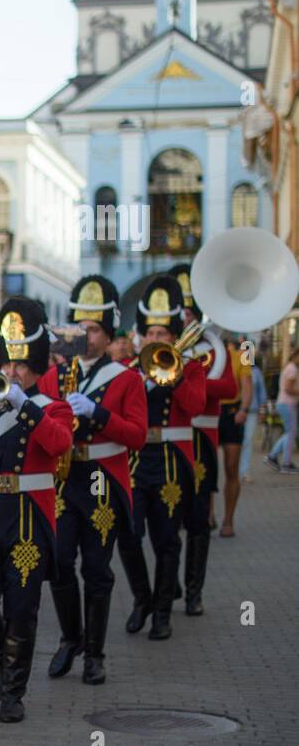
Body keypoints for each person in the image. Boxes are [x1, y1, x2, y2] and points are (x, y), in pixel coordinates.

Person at [0, 298, 72, 722]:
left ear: (36, 370)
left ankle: (14, 691)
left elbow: (59, 444)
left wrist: (22, 404)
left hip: (27, 513)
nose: (12, 374)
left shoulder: (51, 406)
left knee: (23, 604)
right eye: (7, 367)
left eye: (21, 369)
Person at [41, 275, 146, 686]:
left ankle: (96, 654)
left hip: (102, 479)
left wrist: (98, 414)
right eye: (80, 328)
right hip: (67, 480)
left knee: (98, 569)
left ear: (108, 333)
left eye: (95, 330)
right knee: (61, 561)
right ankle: (71, 638)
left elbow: (136, 435)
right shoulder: (56, 376)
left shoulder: (126, 378)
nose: (86, 336)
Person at [115, 276, 206, 641]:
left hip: (171, 460)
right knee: (128, 534)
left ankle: (163, 613)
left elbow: (196, 408)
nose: (155, 340)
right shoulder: (126, 369)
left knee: (167, 540)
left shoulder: (191, 367)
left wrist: (172, 374)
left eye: (161, 335)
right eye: (149, 334)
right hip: (136, 461)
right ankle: (142, 599)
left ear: (173, 338)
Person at [169, 264, 236, 613]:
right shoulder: (161, 344)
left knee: (198, 519)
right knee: (168, 519)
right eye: (182, 312)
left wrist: (192, 383)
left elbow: (230, 387)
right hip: (170, 440)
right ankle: (171, 584)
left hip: (203, 441)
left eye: (190, 311)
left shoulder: (213, 345)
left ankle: (194, 590)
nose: (186, 318)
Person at [217, 337, 252, 538]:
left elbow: (247, 384)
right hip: (209, 413)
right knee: (206, 469)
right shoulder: (208, 356)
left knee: (232, 468)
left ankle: (228, 520)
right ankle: (208, 515)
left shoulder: (242, 356)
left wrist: (244, 409)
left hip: (231, 413)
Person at [266, 347, 298, 472]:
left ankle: (273, 456)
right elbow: (288, 388)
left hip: (284, 403)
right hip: (288, 403)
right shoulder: (293, 369)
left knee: (289, 432)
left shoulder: (289, 367)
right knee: (291, 432)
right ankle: (286, 463)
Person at [241, 360, 268, 480]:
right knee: (236, 442)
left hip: (252, 411)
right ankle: (234, 471)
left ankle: (244, 471)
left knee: (247, 440)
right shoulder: (235, 367)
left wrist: (262, 410)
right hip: (235, 410)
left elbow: (261, 392)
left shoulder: (256, 372)